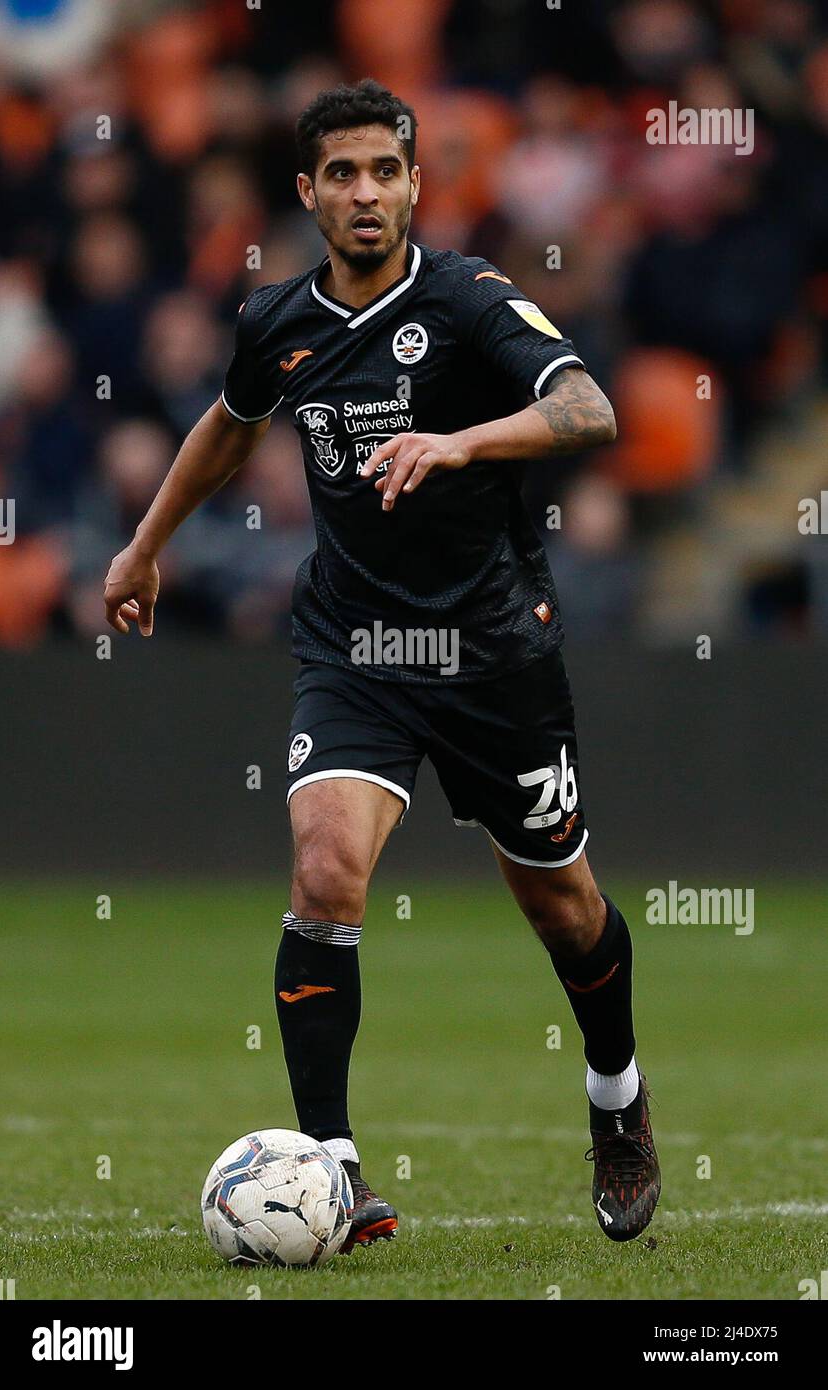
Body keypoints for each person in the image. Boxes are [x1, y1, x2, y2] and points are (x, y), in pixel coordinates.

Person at [104, 78, 660, 1251]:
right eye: (343, 174)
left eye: (387, 171)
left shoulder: (468, 301)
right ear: (307, 192)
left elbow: (590, 409)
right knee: (324, 871)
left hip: (495, 648)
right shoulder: (275, 321)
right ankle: (337, 1173)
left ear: (416, 183)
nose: (367, 193)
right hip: (354, 643)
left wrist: (462, 440)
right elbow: (228, 423)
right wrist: (145, 545)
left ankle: (616, 1101)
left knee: (564, 905)